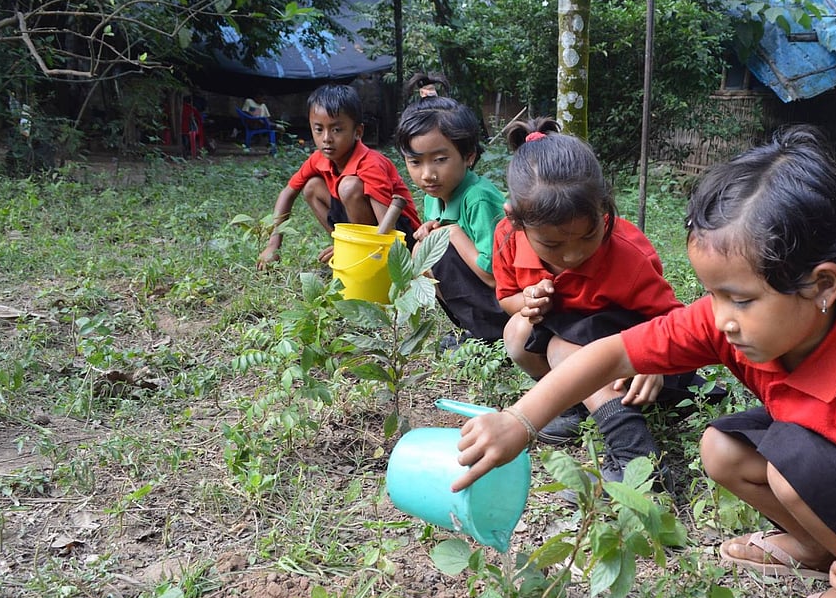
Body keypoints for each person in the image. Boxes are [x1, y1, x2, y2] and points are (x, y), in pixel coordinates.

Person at [453, 126, 836, 598]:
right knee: (722, 448)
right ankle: (817, 546)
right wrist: (521, 419)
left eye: (740, 299)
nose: (719, 318)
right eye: (712, 293)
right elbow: (611, 353)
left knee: (790, 465)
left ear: (823, 285)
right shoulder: (736, 322)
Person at [489, 117, 696, 484]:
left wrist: (653, 360)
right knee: (518, 332)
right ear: (516, 220)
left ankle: (637, 457)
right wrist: (528, 302)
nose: (572, 255)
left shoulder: (627, 255)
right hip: (578, 347)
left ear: (604, 209)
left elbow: (675, 323)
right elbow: (507, 298)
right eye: (553, 244)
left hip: (637, 368)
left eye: (588, 237)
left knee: (560, 347)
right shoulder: (507, 237)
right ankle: (574, 406)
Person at [257, 84, 420, 269]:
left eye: (336, 130)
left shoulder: (371, 164)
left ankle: (357, 254)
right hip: (370, 229)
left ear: (358, 132)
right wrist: (273, 245)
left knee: (349, 187)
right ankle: (345, 247)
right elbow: (288, 193)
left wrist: (359, 247)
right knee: (312, 187)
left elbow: (388, 226)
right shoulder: (318, 159)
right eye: (319, 129)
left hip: (401, 235)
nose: (326, 138)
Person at [395, 97, 507, 342]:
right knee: (422, 251)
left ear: (468, 156)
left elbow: (494, 276)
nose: (427, 174)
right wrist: (433, 229)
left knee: (435, 251)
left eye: (440, 160)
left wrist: (452, 233)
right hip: (482, 295)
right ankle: (473, 329)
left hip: (511, 304)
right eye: (415, 162)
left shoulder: (478, 199)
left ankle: (492, 335)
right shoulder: (433, 198)